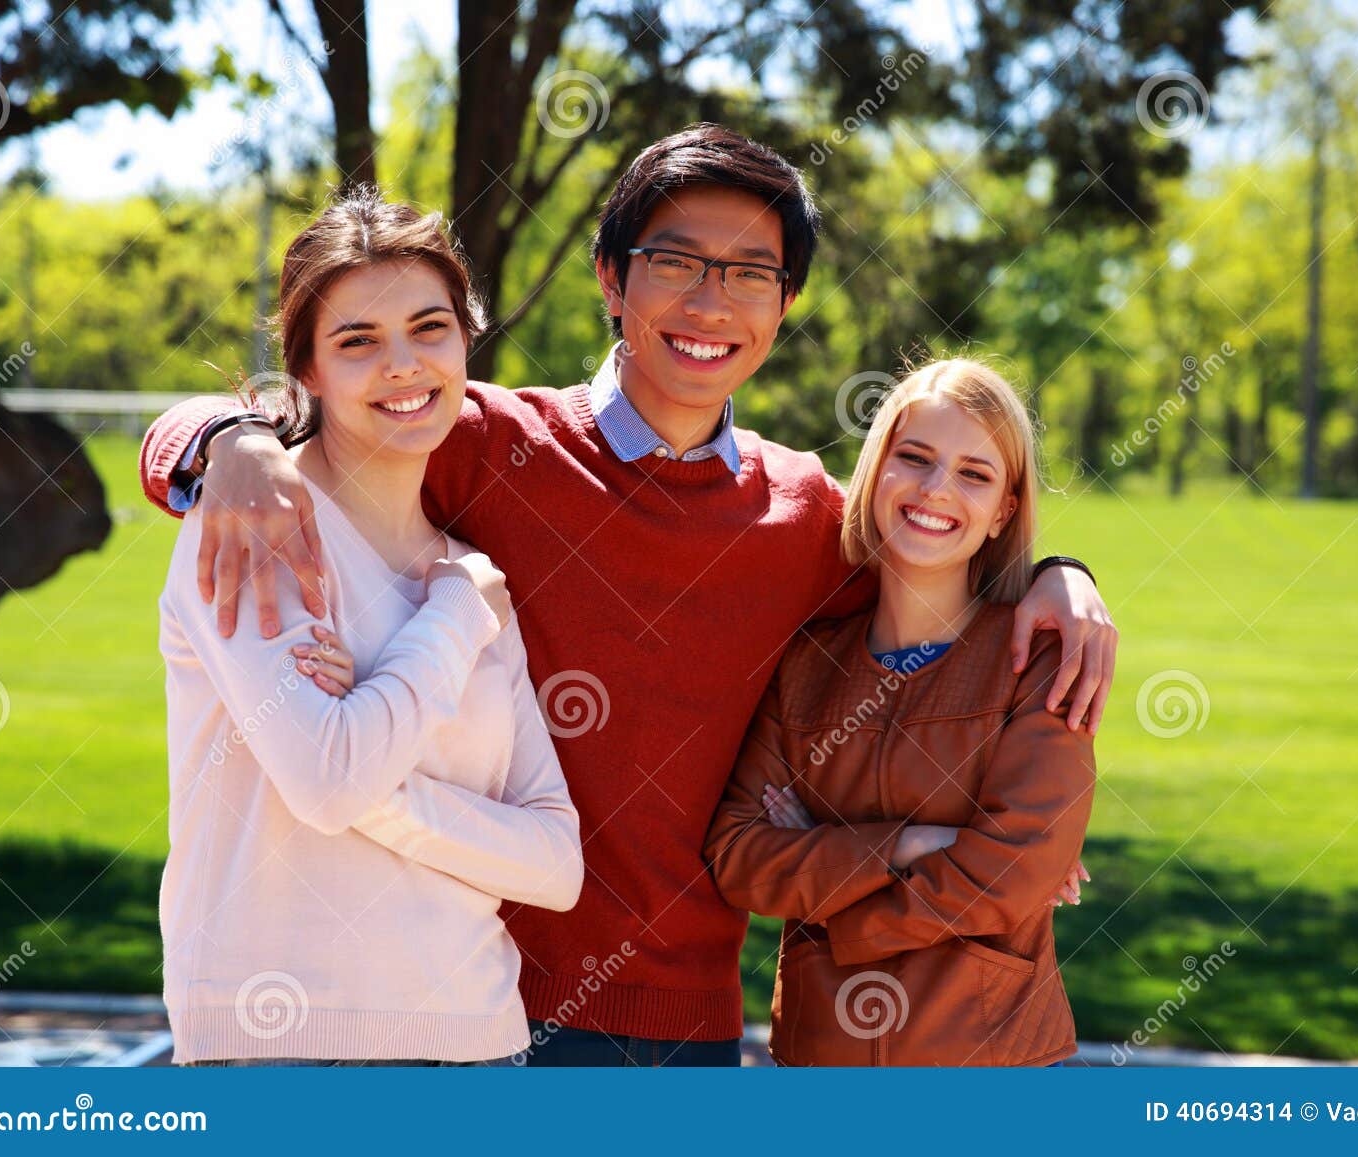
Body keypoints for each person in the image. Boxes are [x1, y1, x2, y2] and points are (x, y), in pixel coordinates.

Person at [139, 124, 1116, 1066]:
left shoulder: (809, 517)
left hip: (685, 1022)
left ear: (785, 305)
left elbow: (934, 553)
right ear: (611, 278)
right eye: (676, 262)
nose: (710, 302)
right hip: (477, 1000)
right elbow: (316, 421)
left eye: (750, 274)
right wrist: (227, 440)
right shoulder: (480, 440)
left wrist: (1059, 576)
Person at [159, 190, 581, 1066]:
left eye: (430, 328)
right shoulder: (252, 524)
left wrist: (370, 748)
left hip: (480, 1044)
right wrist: (448, 624)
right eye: (358, 341)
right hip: (280, 1050)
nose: (403, 364)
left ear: (465, 341)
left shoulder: (471, 572)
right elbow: (327, 786)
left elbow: (555, 864)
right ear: (307, 369)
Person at [706, 356, 1096, 1066]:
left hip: (991, 1067)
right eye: (914, 457)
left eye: (975, 474)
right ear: (876, 471)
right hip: (819, 1061)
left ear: (1004, 511)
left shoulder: (1037, 659)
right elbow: (738, 856)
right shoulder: (806, 665)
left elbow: (1016, 873)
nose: (936, 488)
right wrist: (909, 845)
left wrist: (836, 898)